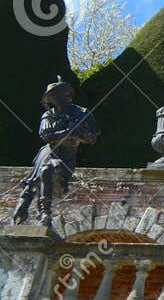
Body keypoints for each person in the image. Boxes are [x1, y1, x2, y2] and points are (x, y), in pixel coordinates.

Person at [10, 77, 100, 233]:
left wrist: (80, 134)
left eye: (59, 94)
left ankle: (28, 204)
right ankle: (43, 213)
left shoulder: (83, 113)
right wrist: (68, 132)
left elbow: (92, 138)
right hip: (49, 150)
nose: (56, 98)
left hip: (68, 153)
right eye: (53, 96)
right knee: (44, 170)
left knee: (48, 172)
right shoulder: (48, 115)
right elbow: (46, 135)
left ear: (68, 95)